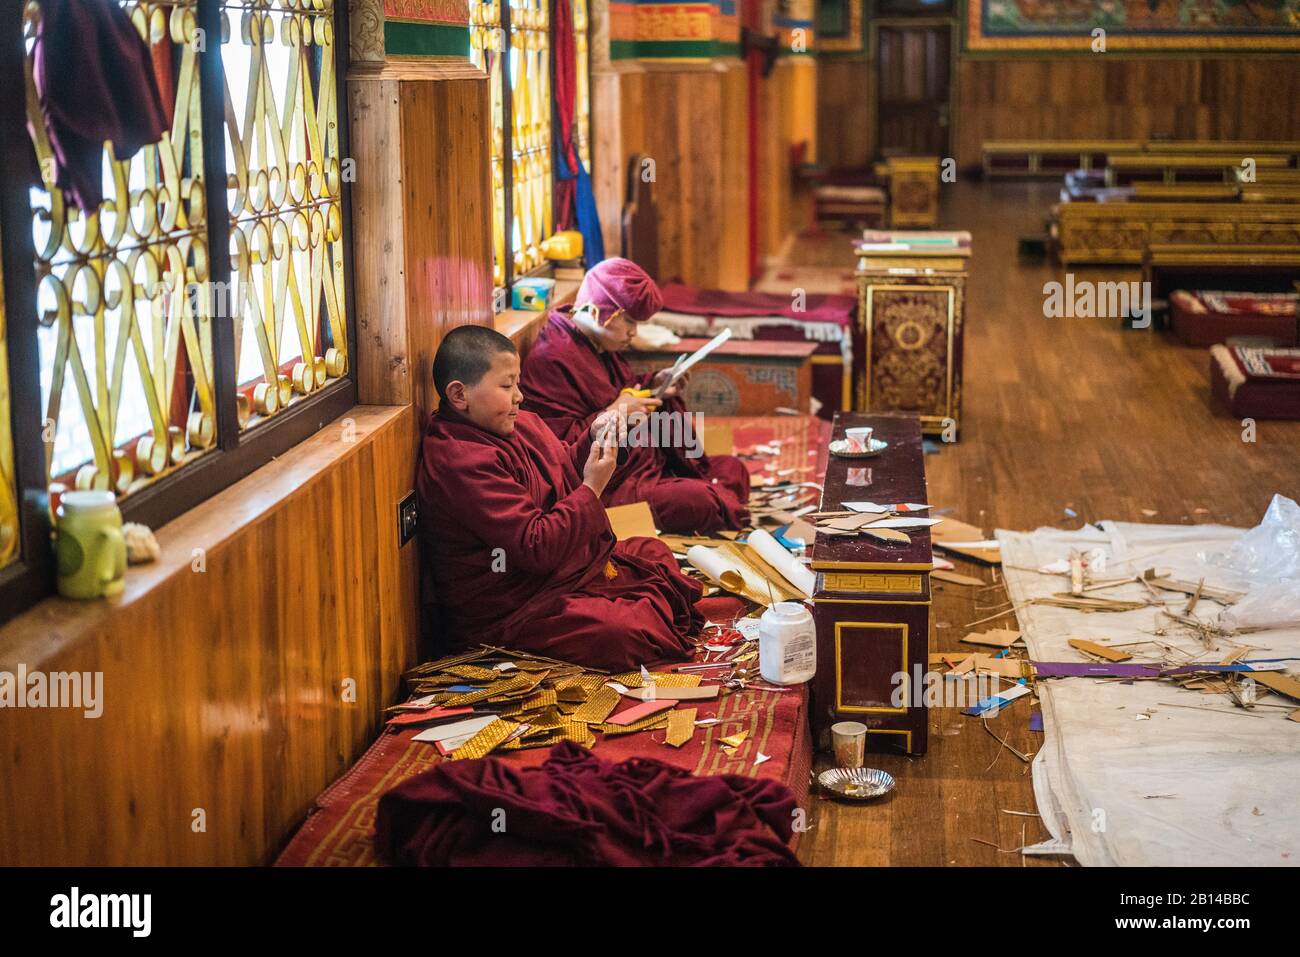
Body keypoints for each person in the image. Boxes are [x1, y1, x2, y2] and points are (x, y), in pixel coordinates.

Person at [416, 324, 703, 670]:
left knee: (653, 553)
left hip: (564, 573)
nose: (519, 395)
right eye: (507, 386)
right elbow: (536, 548)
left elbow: (562, 463)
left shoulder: (518, 422)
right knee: (621, 633)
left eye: (518, 383)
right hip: (514, 606)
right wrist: (592, 489)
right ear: (459, 395)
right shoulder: (459, 460)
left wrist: (596, 434)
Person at [519, 258, 750, 534]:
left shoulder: (595, 341)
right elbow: (558, 451)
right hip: (609, 485)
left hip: (645, 465)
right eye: (629, 321)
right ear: (599, 311)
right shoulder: (553, 357)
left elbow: (623, 389)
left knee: (735, 469)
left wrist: (654, 385)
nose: (633, 332)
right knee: (703, 501)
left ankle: (692, 487)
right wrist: (613, 413)